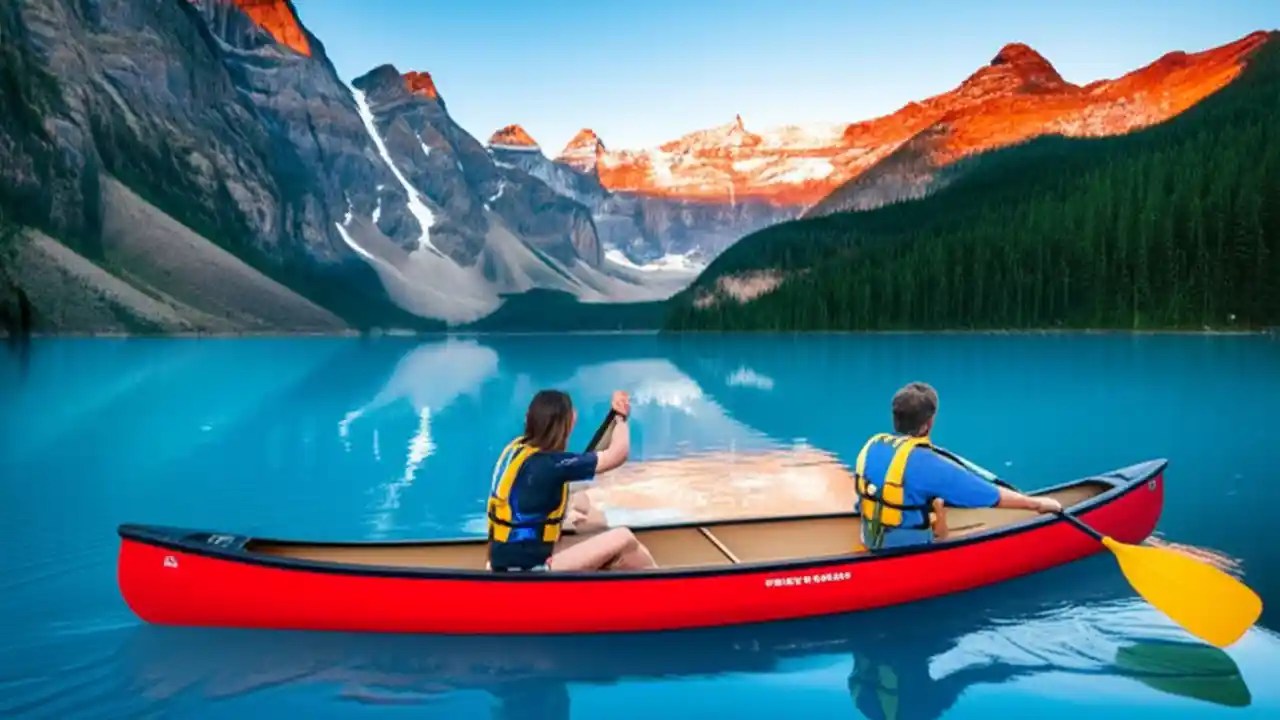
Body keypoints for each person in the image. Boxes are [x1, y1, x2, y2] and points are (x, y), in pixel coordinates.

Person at [854, 382, 1062, 550]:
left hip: (870, 537)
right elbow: (988, 495)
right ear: (930, 422)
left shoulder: (874, 446)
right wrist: (1037, 504)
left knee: (932, 504)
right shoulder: (930, 465)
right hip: (906, 547)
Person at [487, 389, 657, 572]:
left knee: (593, 524)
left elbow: (590, 457)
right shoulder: (552, 465)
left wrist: (612, 416)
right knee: (624, 538)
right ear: (568, 423)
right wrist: (621, 418)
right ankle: (664, 587)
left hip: (504, 559)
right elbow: (617, 454)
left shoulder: (517, 451)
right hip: (532, 569)